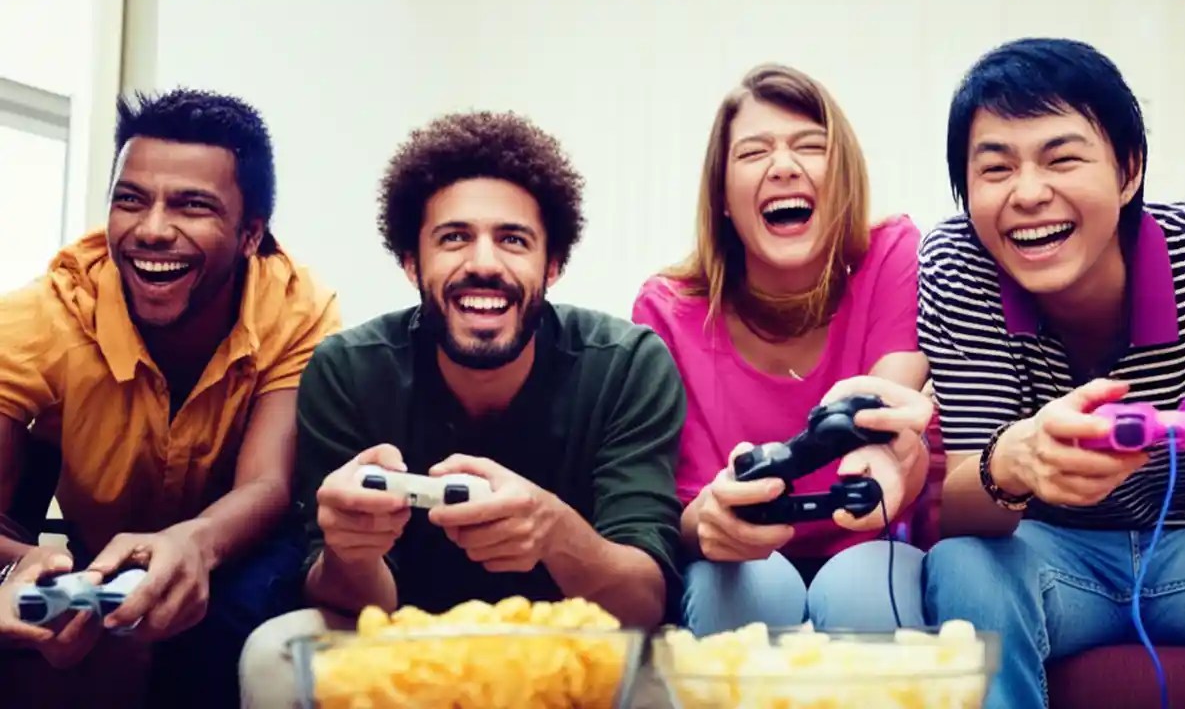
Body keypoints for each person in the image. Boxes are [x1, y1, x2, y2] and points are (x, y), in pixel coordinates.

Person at [238, 110, 686, 704]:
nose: (483, 263)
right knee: (273, 650)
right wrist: (351, 550)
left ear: (553, 265)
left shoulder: (628, 364)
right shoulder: (348, 369)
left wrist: (554, 532)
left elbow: (641, 603)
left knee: (668, 669)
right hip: (404, 637)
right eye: (454, 237)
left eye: (513, 240)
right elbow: (349, 599)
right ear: (410, 262)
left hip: (569, 643)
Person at [919, 37, 1185, 709]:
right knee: (963, 565)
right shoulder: (958, 268)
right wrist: (1011, 464)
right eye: (995, 169)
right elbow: (961, 514)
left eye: (1062, 158)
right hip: (1052, 562)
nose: (1029, 194)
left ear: (1129, 170)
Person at [0, 88, 340, 708]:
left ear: (250, 235)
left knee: (241, 617)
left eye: (193, 206)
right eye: (130, 200)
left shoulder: (298, 309)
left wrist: (195, 545)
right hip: (95, 546)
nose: (153, 230)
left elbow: (266, 483)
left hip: (238, 544)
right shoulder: (39, 316)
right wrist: (16, 568)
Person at [631, 64, 933, 637]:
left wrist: (888, 455)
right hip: (742, 562)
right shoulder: (665, 311)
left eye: (810, 147)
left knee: (866, 586)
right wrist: (710, 524)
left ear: (841, 176)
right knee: (747, 591)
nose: (784, 165)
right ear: (721, 197)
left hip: (868, 548)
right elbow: (683, 511)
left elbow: (886, 399)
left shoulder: (894, 253)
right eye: (752, 153)